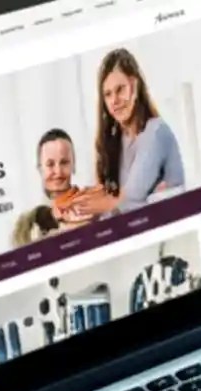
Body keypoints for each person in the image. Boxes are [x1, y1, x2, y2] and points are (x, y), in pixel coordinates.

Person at [72, 48, 185, 218]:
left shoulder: (156, 132)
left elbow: (129, 200)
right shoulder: (116, 142)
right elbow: (118, 204)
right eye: (108, 94)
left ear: (135, 86)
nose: (114, 101)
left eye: (120, 89)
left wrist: (115, 202)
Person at [11, 128, 90, 247]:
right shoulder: (25, 227)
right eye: (50, 164)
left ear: (73, 165)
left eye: (64, 162)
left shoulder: (95, 206)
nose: (58, 172)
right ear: (40, 169)